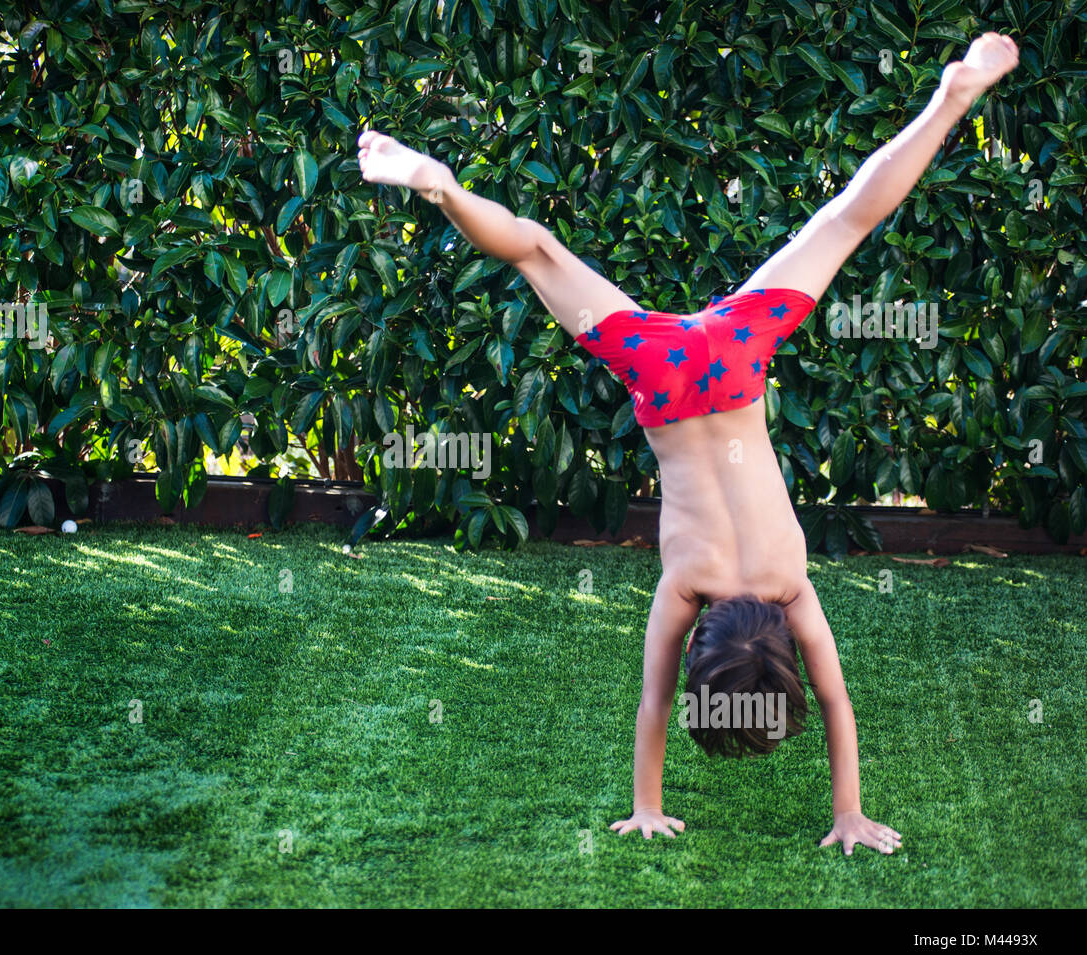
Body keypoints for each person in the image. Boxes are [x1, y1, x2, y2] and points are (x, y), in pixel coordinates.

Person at [356, 32, 1019, 854]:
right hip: (662, 375)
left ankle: (949, 101)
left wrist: (837, 807)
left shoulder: (790, 584)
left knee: (844, 218)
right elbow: (655, 703)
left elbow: (834, 703)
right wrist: (679, 805)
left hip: (733, 359)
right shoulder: (685, 586)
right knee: (538, 248)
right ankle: (447, 191)